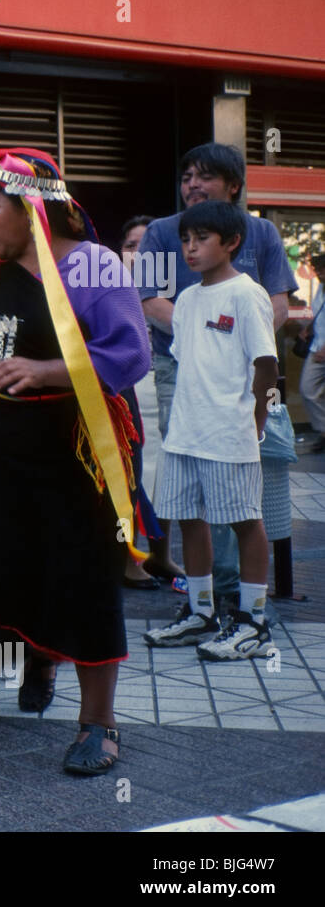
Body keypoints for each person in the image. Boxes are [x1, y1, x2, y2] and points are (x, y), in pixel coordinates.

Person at [0, 147, 150, 774]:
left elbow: (130, 352)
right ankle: (39, 655)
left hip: (76, 454)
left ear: (32, 209)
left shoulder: (92, 267)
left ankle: (99, 724)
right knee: (16, 568)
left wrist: (49, 368)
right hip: (6, 453)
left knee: (83, 580)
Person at [135, 143, 295, 600]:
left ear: (234, 186)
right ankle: (204, 600)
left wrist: (235, 344)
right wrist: (201, 339)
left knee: (235, 483)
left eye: (204, 176)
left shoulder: (261, 232)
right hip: (176, 369)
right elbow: (150, 300)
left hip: (243, 373)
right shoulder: (162, 232)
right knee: (189, 483)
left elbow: (278, 302)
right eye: (186, 176)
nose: (192, 185)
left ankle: (239, 596)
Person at [143, 202, 278, 659]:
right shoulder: (187, 300)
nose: (190, 248)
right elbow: (190, 361)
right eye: (186, 239)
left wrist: (254, 424)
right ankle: (202, 614)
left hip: (229, 433)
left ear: (232, 242)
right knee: (189, 519)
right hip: (184, 433)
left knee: (244, 521)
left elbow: (266, 366)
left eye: (202, 238)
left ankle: (254, 623)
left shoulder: (247, 293)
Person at [119, 216, 167, 591]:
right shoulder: (106, 286)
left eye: (146, 246)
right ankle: (130, 559)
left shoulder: (171, 287)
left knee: (164, 476)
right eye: (132, 245)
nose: (138, 253)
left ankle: (161, 555)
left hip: (165, 389)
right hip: (126, 393)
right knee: (131, 476)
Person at [299, 253, 325, 453]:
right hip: (317, 347)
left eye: (321, 269)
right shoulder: (320, 289)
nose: (318, 273)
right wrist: (310, 328)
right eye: (317, 269)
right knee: (308, 390)